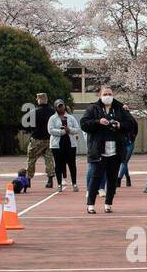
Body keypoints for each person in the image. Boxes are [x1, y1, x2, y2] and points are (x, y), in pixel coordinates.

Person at [80, 86, 128, 214]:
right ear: (100, 96)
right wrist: (98, 122)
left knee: (112, 179)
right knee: (95, 178)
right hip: (99, 150)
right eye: (105, 94)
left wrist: (119, 125)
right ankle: (90, 204)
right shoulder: (93, 108)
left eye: (110, 94)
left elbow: (130, 124)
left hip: (115, 150)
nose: (108, 96)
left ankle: (108, 204)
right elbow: (84, 123)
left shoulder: (120, 108)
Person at [47, 99, 80, 191]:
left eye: (62, 106)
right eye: (59, 106)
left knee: (72, 164)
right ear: (56, 108)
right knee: (58, 164)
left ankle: (74, 183)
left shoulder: (70, 118)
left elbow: (77, 129)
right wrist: (61, 131)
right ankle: (59, 184)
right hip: (57, 144)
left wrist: (69, 130)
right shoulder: (52, 118)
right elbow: (50, 130)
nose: (61, 108)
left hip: (70, 143)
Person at [24, 93, 55, 188]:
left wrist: (31, 131)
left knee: (31, 158)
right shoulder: (53, 111)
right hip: (49, 138)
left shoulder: (34, 111)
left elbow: (27, 124)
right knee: (49, 159)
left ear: (39, 100)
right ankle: (50, 180)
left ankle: (28, 179)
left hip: (36, 138)